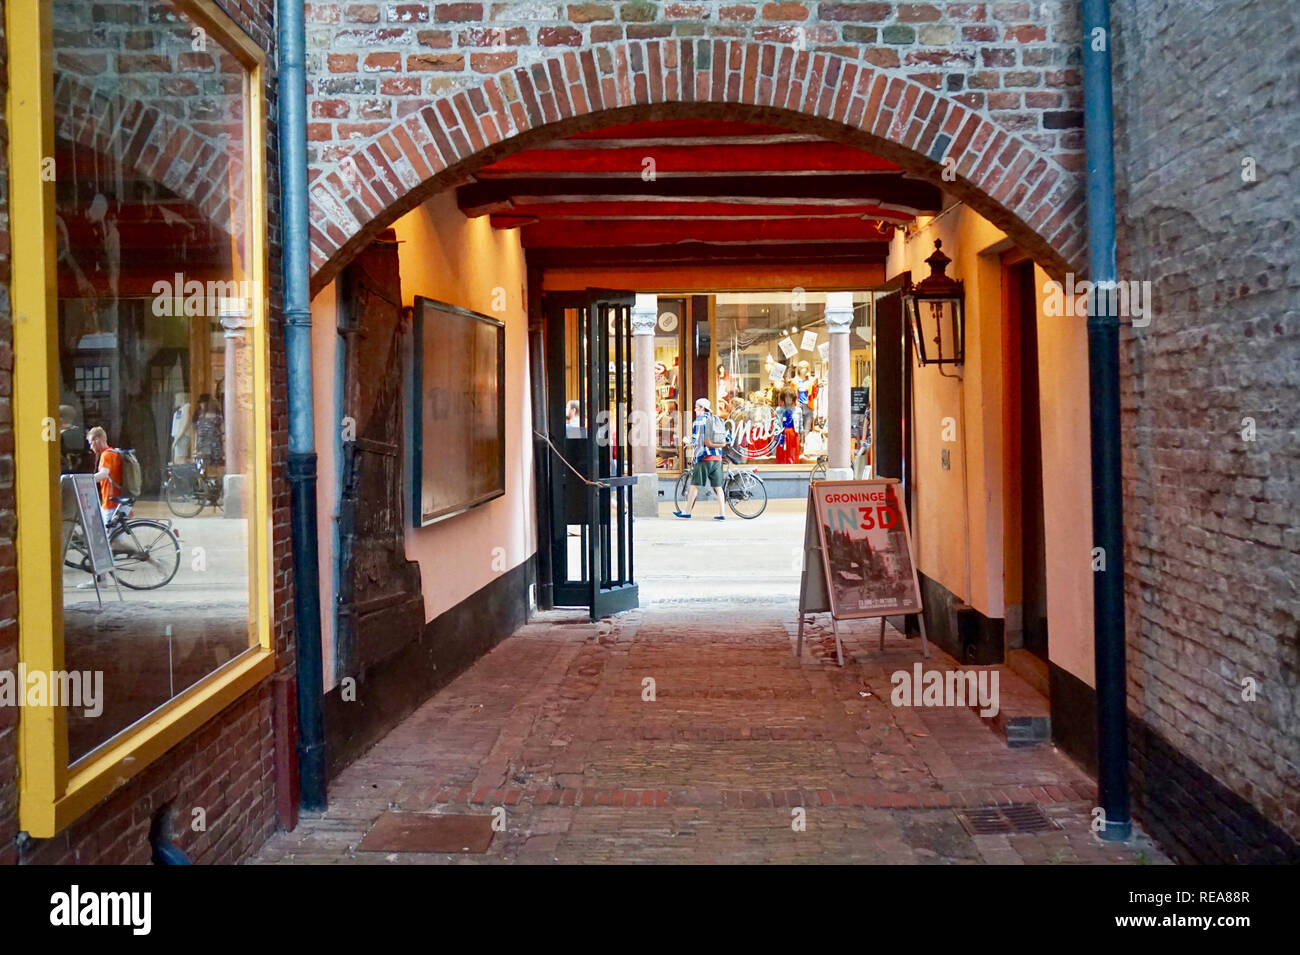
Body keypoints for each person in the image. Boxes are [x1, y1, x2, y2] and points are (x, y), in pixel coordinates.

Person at [674, 397, 727, 521]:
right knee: (718, 487)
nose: (695, 410)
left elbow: (695, 440)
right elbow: (727, 437)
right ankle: (722, 513)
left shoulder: (699, 420)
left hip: (704, 458)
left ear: (702, 408)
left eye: (696, 407)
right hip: (717, 457)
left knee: (694, 485)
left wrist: (686, 440)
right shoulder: (717, 419)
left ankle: (687, 512)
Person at [86, 426, 124, 525]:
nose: (91, 447)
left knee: (110, 538)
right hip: (117, 500)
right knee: (115, 538)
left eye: (91, 443)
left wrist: (85, 482)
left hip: (110, 502)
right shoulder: (113, 453)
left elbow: (103, 474)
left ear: (97, 440)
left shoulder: (106, 455)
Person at [193, 392, 225, 471]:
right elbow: (196, 432)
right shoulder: (198, 415)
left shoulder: (216, 415)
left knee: (214, 468)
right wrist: (195, 447)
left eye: (203, 402)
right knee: (201, 470)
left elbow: (222, 429)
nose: (202, 405)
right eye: (200, 403)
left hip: (213, 446)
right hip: (201, 446)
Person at [775, 388, 801, 464]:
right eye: (786, 397)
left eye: (790, 397)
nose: (788, 399)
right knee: (781, 451)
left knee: (792, 452)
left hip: (793, 434)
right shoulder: (779, 410)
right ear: (783, 398)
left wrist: (802, 439)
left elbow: (800, 426)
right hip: (782, 433)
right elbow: (776, 423)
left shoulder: (797, 410)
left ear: (793, 398)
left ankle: (793, 467)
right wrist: (776, 435)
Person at [793, 361, 818, 436]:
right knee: (798, 429)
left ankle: (804, 444)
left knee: (807, 430)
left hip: (808, 406)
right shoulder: (794, 381)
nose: (803, 370)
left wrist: (816, 409)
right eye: (801, 368)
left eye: (805, 368)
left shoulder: (812, 381)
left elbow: (814, 396)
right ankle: (799, 445)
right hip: (798, 406)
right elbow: (791, 396)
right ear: (798, 369)